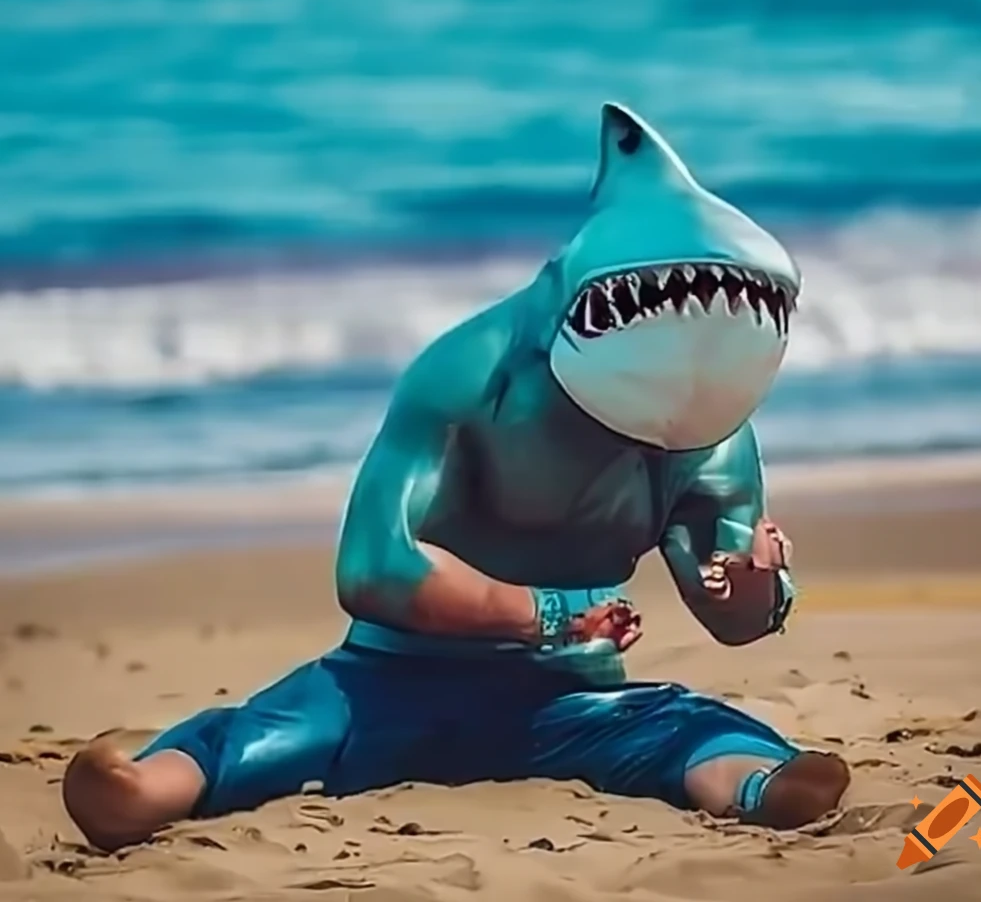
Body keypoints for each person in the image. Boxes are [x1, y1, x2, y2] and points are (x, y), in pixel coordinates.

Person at [63, 103, 850, 852]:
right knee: (273, 730)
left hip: (569, 699)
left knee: (685, 728)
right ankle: (141, 791)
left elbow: (734, 619)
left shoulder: (711, 434)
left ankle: (759, 788)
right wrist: (542, 615)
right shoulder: (470, 373)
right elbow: (373, 568)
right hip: (388, 679)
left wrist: (755, 584)